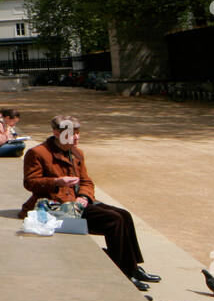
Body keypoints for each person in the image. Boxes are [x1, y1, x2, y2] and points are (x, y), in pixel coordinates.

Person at [21, 115, 160, 290]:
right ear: (56, 133)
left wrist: (85, 197)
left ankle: (132, 266)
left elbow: (87, 181)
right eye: (72, 133)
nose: (77, 137)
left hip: (77, 202)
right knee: (113, 220)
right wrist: (57, 182)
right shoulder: (38, 153)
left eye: (78, 133)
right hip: (56, 205)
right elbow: (30, 182)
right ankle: (123, 271)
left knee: (124, 215)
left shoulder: (77, 153)